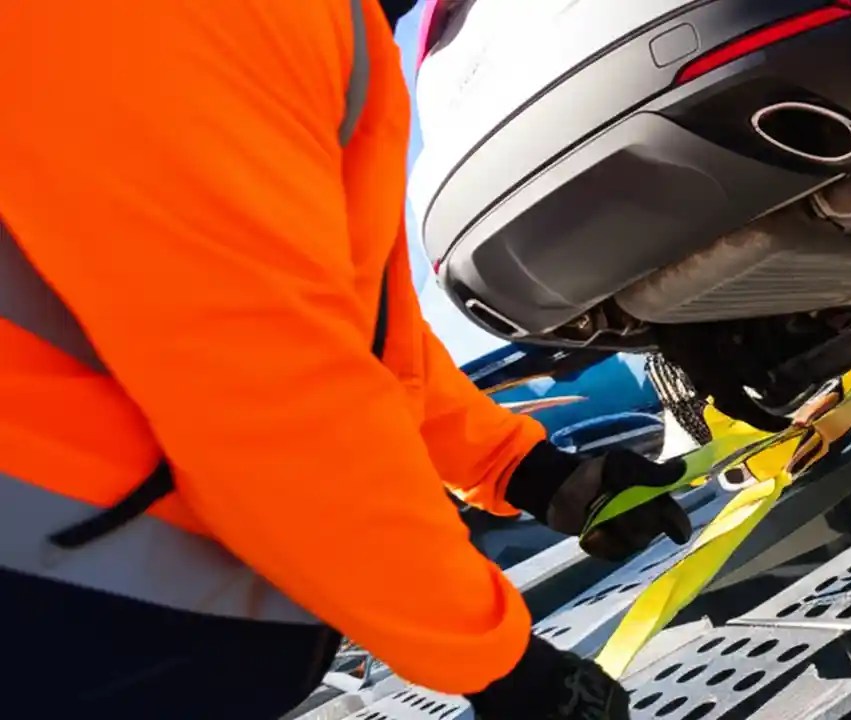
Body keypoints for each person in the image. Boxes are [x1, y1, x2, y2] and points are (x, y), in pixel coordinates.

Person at [0, 1, 690, 718]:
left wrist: (531, 473)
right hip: (71, 628)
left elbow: (351, 336)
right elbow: (266, 387)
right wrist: (507, 671)